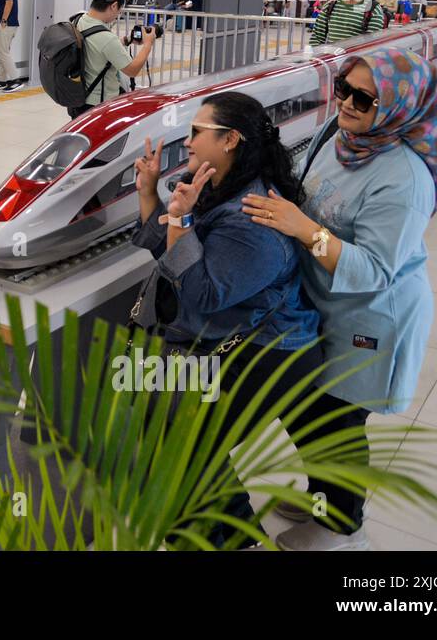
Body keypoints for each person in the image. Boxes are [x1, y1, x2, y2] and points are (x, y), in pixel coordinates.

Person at [244, 48, 437, 550]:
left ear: (400, 108)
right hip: (325, 307)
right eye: (344, 89)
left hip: (370, 319)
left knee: (337, 421)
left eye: (366, 98)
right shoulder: (342, 136)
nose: (349, 104)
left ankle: (342, 527)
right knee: (310, 412)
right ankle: (324, 496)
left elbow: (375, 269)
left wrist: (305, 229)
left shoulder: (403, 179)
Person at [133, 91, 321, 548]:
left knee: (178, 434)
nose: (190, 140)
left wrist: (179, 219)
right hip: (232, 337)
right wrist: (150, 193)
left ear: (231, 139)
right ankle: (227, 529)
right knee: (172, 429)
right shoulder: (219, 185)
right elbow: (168, 250)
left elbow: (202, 291)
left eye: (198, 131)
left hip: (266, 353)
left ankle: (223, 537)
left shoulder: (254, 216)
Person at [66, 0, 156, 119]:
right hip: (100, 106)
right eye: (120, 8)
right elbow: (132, 70)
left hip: (79, 100)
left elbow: (96, 48)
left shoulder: (78, 20)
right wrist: (147, 45)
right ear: (114, 6)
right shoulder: (106, 38)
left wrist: (126, 41)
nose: (119, 12)